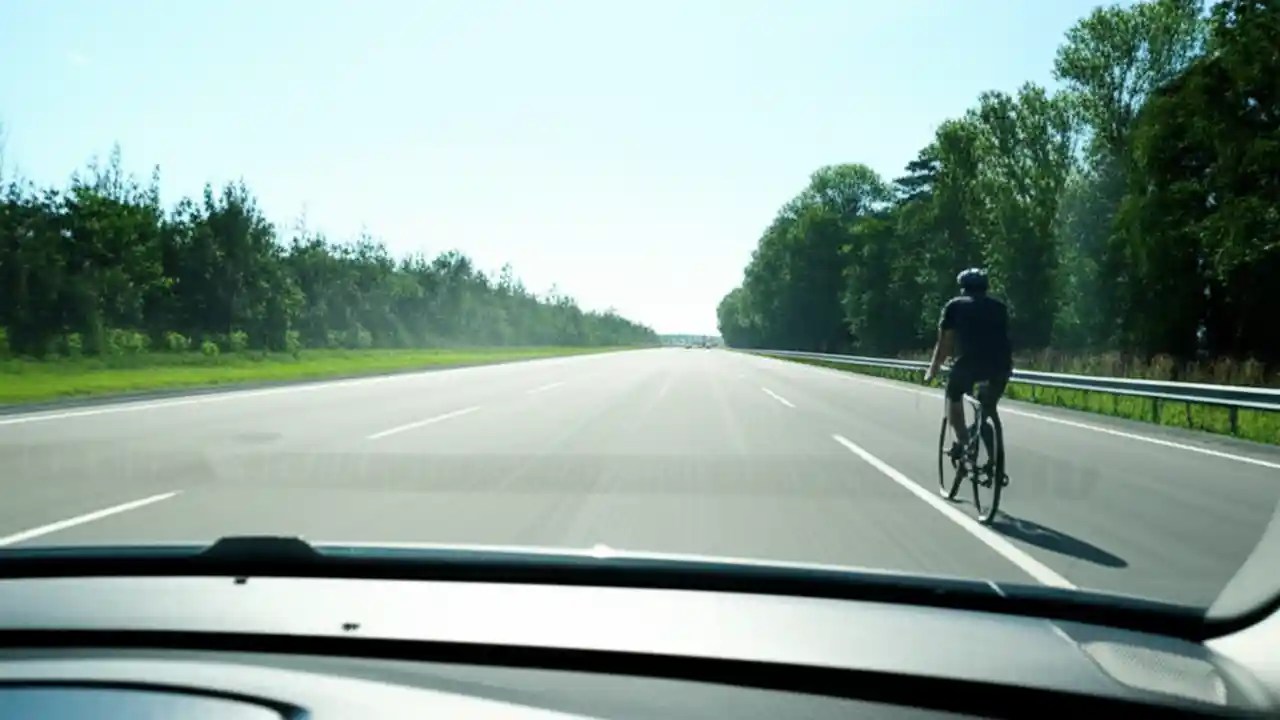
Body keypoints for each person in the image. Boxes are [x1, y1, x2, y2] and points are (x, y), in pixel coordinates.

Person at [923, 268, 1012, 472]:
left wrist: (933, 369)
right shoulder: (999, 307)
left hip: (970, 364)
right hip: (1001, 365)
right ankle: (993, 463)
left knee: (953, 395)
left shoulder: (955, 306)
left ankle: (963, 443)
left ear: (963, 288)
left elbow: (944, 344)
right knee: (986, 410)